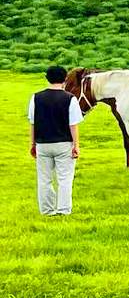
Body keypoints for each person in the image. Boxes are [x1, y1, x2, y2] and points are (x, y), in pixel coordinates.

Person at [28, 65, 83, 216]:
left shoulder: (36, 98)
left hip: (43, 144)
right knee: (65, 178)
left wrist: (32, 144)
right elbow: (73, 125)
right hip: (64, 143)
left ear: (47, 78)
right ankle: (64, 210)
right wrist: (76, 145)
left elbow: (33, 123)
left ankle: (47, 210)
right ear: (65, 79)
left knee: (44, 179)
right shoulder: (70, 99)